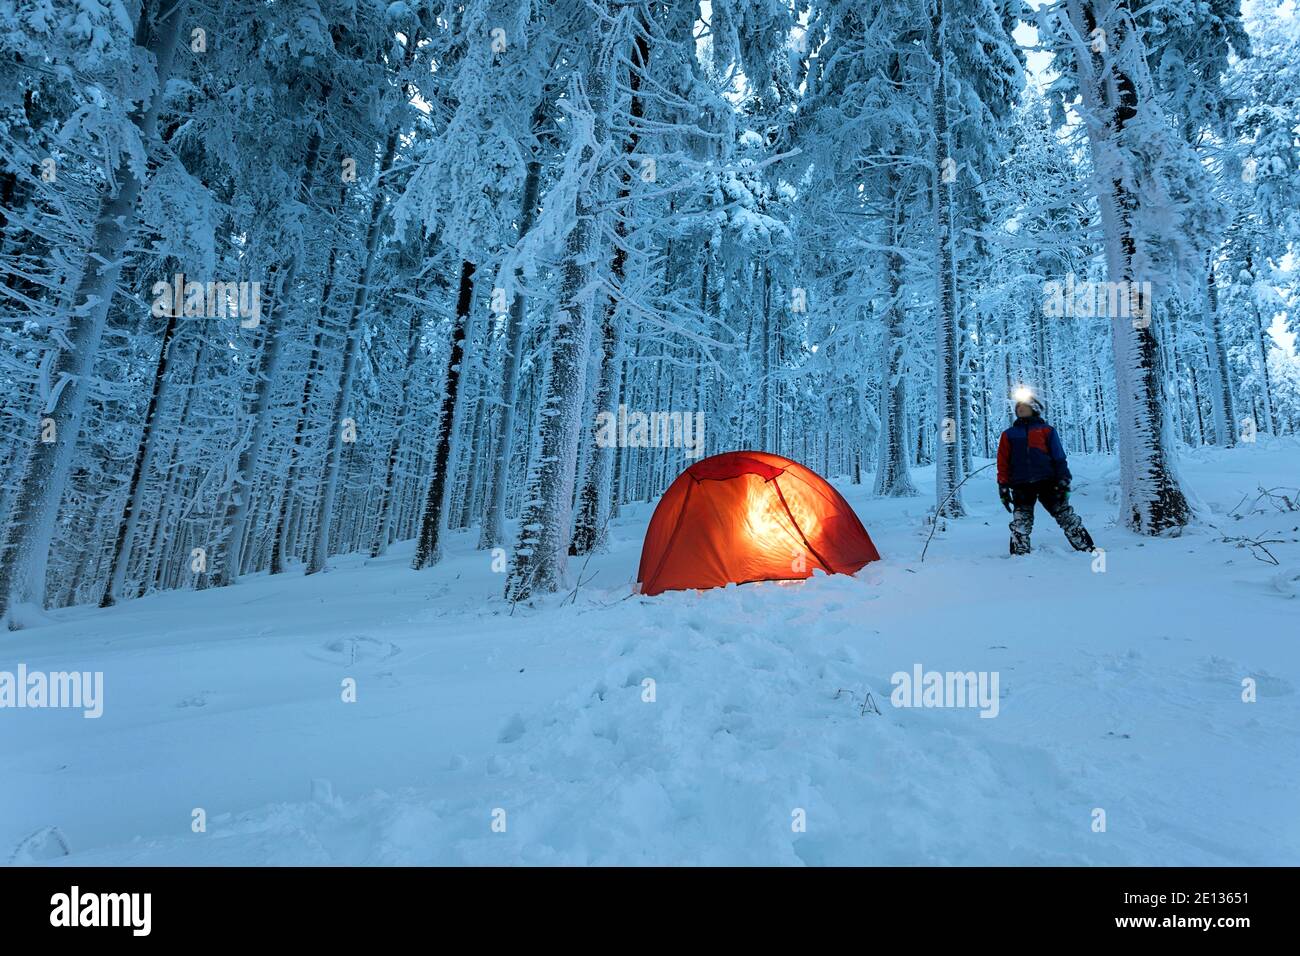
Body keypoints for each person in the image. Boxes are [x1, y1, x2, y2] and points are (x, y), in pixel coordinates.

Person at [996, 392, 1095, 556]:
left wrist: (1063, 479)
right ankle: (1019, 554)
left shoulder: (1047, 431)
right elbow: (1003, 462)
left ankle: (1086, 547)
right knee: (1021, 520)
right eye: (1018, 407)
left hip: (1048, 482)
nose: (1020, 409)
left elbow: (1059, 457)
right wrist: (1003, 487)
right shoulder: (1009, 434)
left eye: (1024, 407)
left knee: (1065, 515)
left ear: (1034, 409)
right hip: (1021, 484)